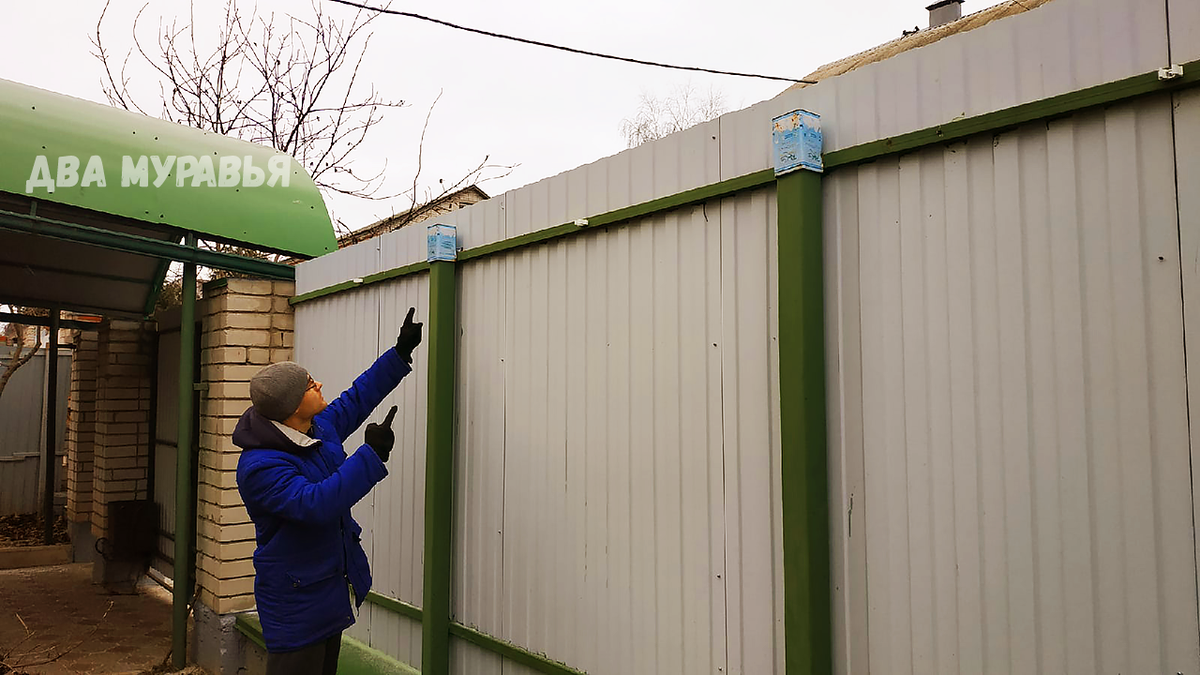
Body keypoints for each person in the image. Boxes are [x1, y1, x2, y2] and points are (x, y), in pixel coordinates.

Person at [234, 307, 423, 675]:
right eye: (309, 385)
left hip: (327, 593)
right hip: (296, 605)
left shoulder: (315, 426)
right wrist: (371, 455)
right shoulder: (261, 467)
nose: (318, 385)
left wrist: (400, 353)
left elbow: (357, 398)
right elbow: (315, 504)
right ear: (290, 406)